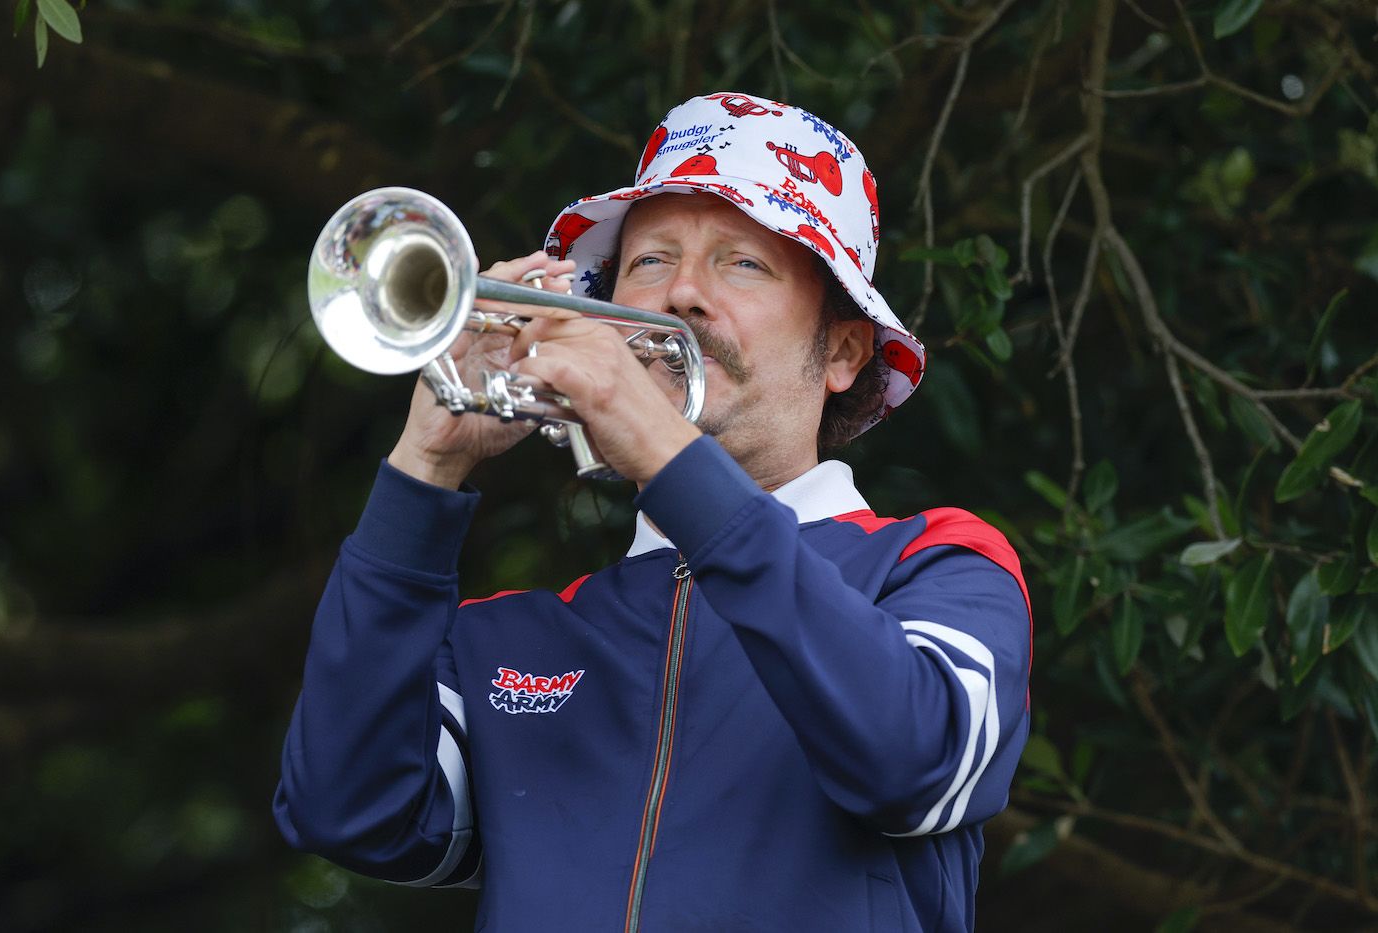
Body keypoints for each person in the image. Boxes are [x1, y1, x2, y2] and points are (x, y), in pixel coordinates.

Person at [275, 91, 1033, 932]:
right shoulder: (514, 638)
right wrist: (427, 464)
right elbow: (347, 812)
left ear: (845, 352)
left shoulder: (936, 565)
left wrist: (665, 452)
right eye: (650, 262)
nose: (681, 295)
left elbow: (913, 762)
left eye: (742, 262)